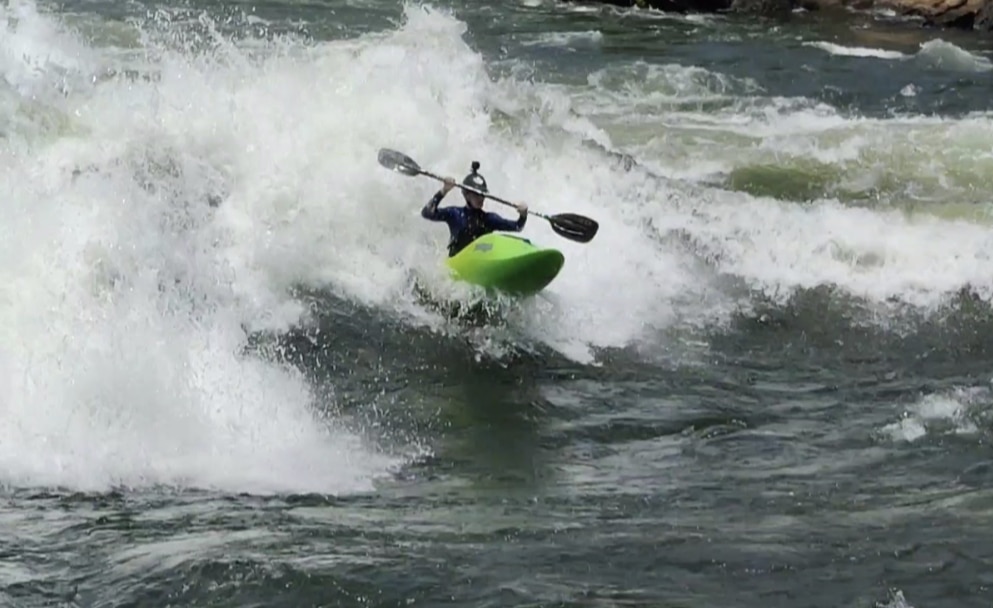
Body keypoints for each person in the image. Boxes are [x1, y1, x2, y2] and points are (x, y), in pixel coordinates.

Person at [421, 161, 528, 257]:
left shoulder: (489, 219)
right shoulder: (455, 214)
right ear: (466, 195)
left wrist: (523, 214)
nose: (480, 198)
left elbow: (518, 227)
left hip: (480, 260)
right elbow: (426, 213)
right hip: (457, 260)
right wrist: (444, 190)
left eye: (482, 194)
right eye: (476, 194)